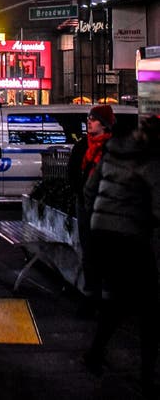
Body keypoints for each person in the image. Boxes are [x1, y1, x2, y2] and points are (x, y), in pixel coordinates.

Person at [82, 115, 160, 397]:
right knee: (151, 307)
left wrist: (96, 219)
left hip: (101, 234)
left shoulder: (112, 153)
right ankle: (148, 375)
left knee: (116, 297)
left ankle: (95, 352)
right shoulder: (150, 162)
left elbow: (89, 189)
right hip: (130, 237)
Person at [67, 103, 115, 317]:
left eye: (93, 119)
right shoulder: (82, 147)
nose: (89, 122)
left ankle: (108, 296)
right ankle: (91, 295)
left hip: (106, 208)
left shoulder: (112, 148)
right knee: (89, 253)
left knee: (106, 252)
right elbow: (72, 174)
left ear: (104, 125)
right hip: (86, 206)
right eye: (89, 118)